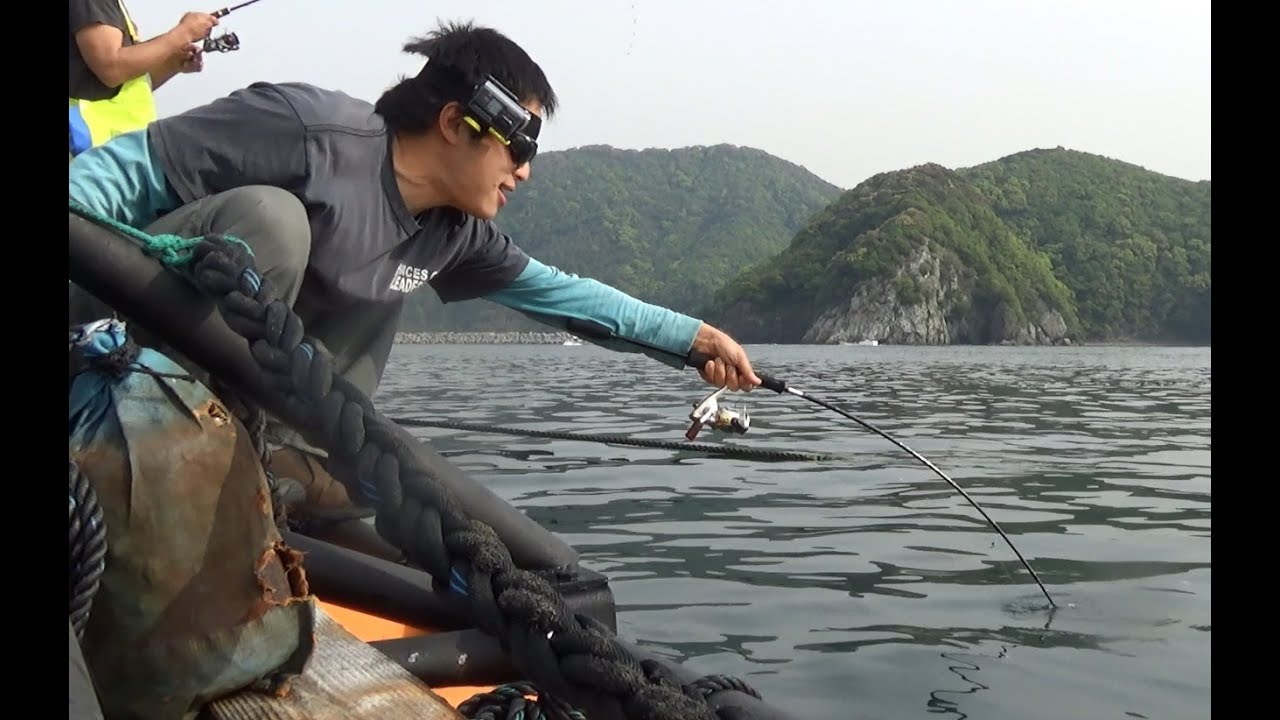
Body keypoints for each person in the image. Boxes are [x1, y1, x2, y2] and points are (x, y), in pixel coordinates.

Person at [67, 20, 761, 556]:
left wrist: (692, 339)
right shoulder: (303, 129)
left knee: (391, 285)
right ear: (455, 123)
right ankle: (164, 457)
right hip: (106, 345)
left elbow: (567, 297)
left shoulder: (453, 233)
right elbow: (117, 177)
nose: (525, 171)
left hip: (243, 418)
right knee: (273, 221)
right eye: (519, 146)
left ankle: (276, 470)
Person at [69, 0, 218, 159]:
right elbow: (112, 68)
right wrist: (184, 33)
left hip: (115, 153)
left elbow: (122, 85)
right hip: (90, 154)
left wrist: (171, 65)